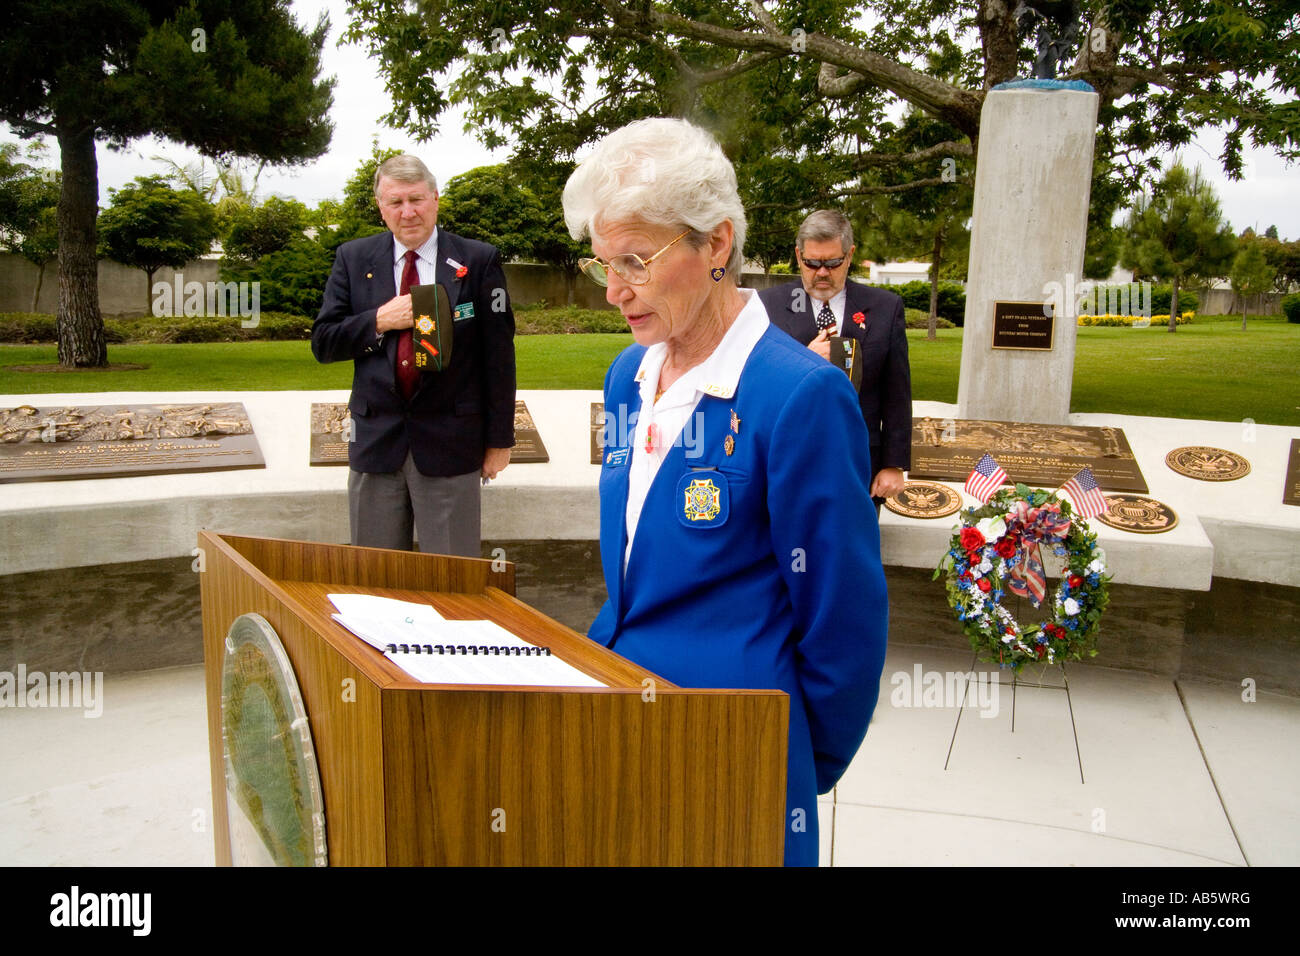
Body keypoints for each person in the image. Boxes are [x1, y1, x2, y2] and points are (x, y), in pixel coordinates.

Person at [564, 118, 887, 866]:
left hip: (730, 757)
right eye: (600, 265)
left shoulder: (801, 397)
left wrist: (793, 760)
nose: (614, 292)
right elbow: (638, 567)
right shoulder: (627, 377)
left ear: (716, 244)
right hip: (613, 723)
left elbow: (843, 619)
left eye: (636, 262)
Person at [311, 154, 515, 556]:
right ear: (381, 208)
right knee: (378, 577)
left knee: (454, 576)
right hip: (376, 442)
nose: (408, 212)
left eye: (417, 199)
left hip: (451, 442)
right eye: (396, 202)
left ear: (436, 199)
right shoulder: (353, 259)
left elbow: (498, 357)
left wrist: (499, 441)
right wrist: (379, 320)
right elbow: (324, 341)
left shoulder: (477, 260)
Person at [759, 210, 912, 508]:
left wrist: (894, 464)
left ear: (850, 255)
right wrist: (804, 363)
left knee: (851, 551)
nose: (822, 272)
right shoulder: (766, 307)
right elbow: (752, 384)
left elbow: (896, 392)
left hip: (859, 465)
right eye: (812, 262)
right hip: (787, 459)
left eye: (832, 263)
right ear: (798, 255)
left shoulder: (885, 308)